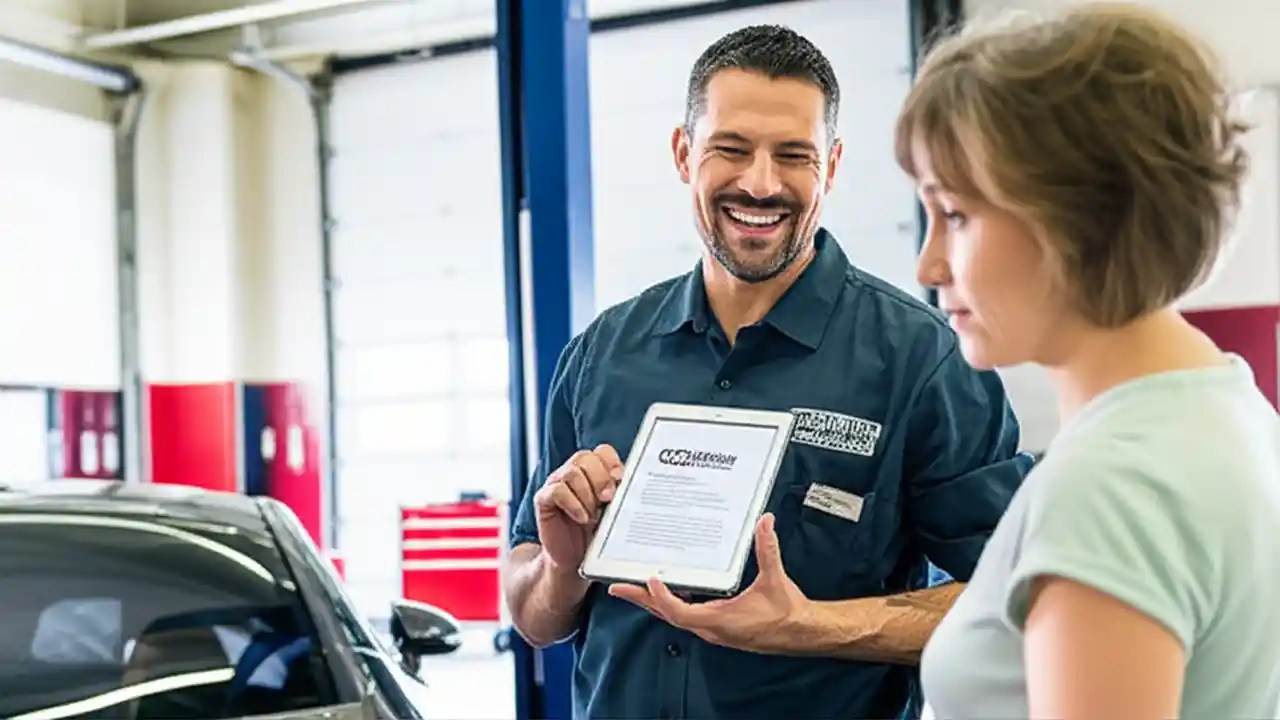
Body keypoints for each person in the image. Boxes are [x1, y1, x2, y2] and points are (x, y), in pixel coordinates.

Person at [501, 24, 1033, 720]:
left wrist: (808, 625)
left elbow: (1017, 603)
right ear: (682, 153)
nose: (761, 183)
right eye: (730, 149)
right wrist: (562, 566)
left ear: (832, 166)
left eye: (794, 155)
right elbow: (534, 617)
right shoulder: (602, 354)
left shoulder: (920, 362)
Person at [896, 4, 1280, 719]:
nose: (931, 263)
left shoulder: (1111, 490)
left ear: (1074, 215)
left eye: (954, 214)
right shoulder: (1225, 404)